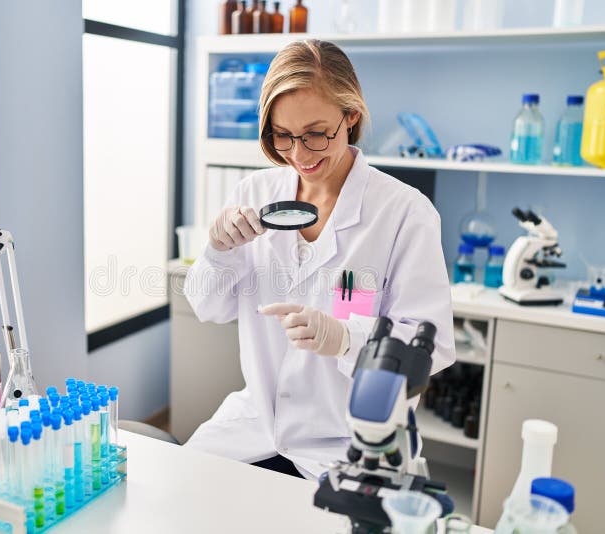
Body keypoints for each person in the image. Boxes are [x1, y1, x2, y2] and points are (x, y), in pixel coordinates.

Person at [183, 39, 454, 480]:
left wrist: (346, 338)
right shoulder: (253, 194)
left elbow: (433, 347)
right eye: (283, 135)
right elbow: (207, 307)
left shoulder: (405, 212)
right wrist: (216, 251)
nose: (300, 154)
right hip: (255, 427)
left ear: (351, 116)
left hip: (353, 443)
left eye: (315, 133)